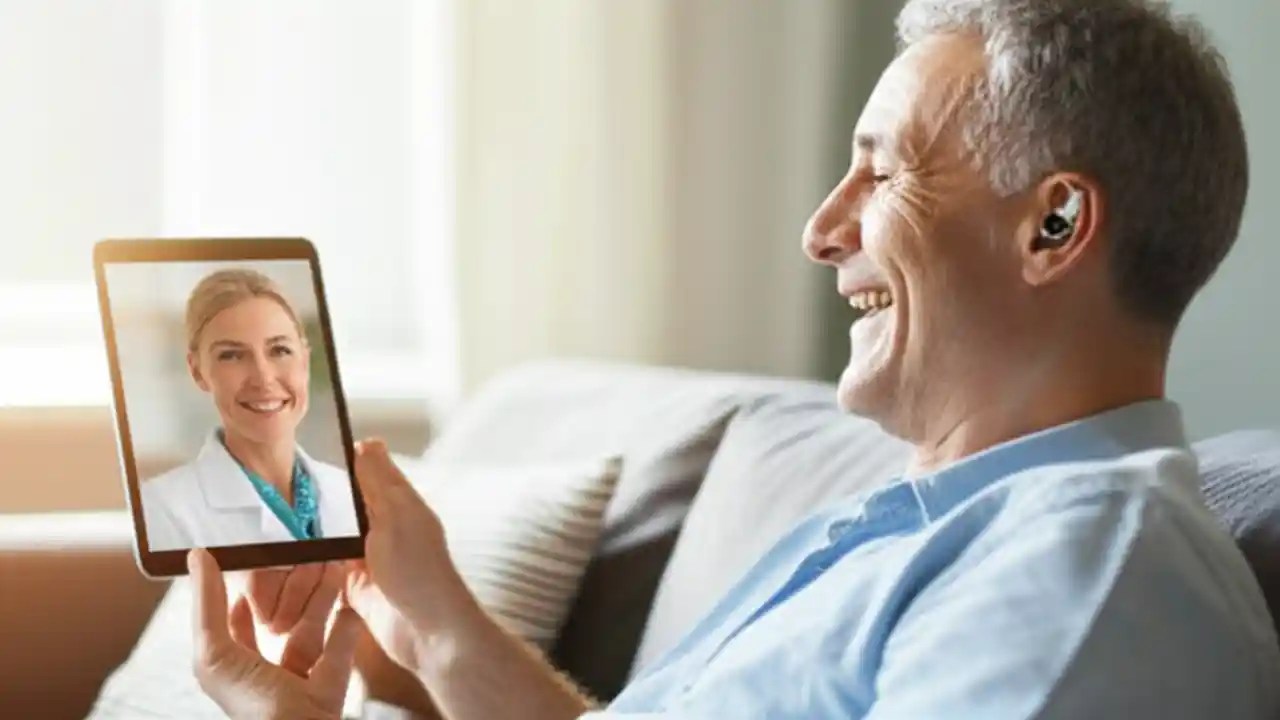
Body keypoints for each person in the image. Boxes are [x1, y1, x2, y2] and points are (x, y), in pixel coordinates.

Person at [189, 0, 1280, 717]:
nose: (820, 229)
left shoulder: (1083, 572)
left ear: (1051, 228)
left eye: (881, 172)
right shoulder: (915, 525)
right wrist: (435, 631)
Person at [141, 269, 360, 551]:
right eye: (232, 355)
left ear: (304, 360)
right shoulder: (163, 509)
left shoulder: (353, 495)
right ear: (198, 371)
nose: (263, 377)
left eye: (280, 350)